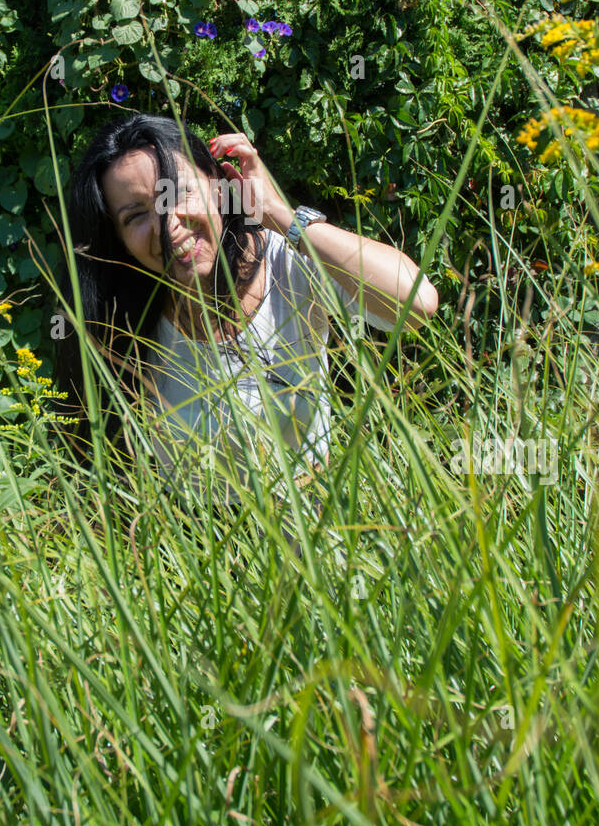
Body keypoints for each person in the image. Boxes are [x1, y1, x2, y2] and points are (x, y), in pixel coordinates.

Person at [52, 112, 438, 542]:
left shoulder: (287, 261)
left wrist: (279, 214)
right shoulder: (121, 318)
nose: (166, 223)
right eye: (135, 216)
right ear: (119, 240)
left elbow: (416, 302)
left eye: (175, 193)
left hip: (313, 530)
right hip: (194, 551)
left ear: (220, 186)